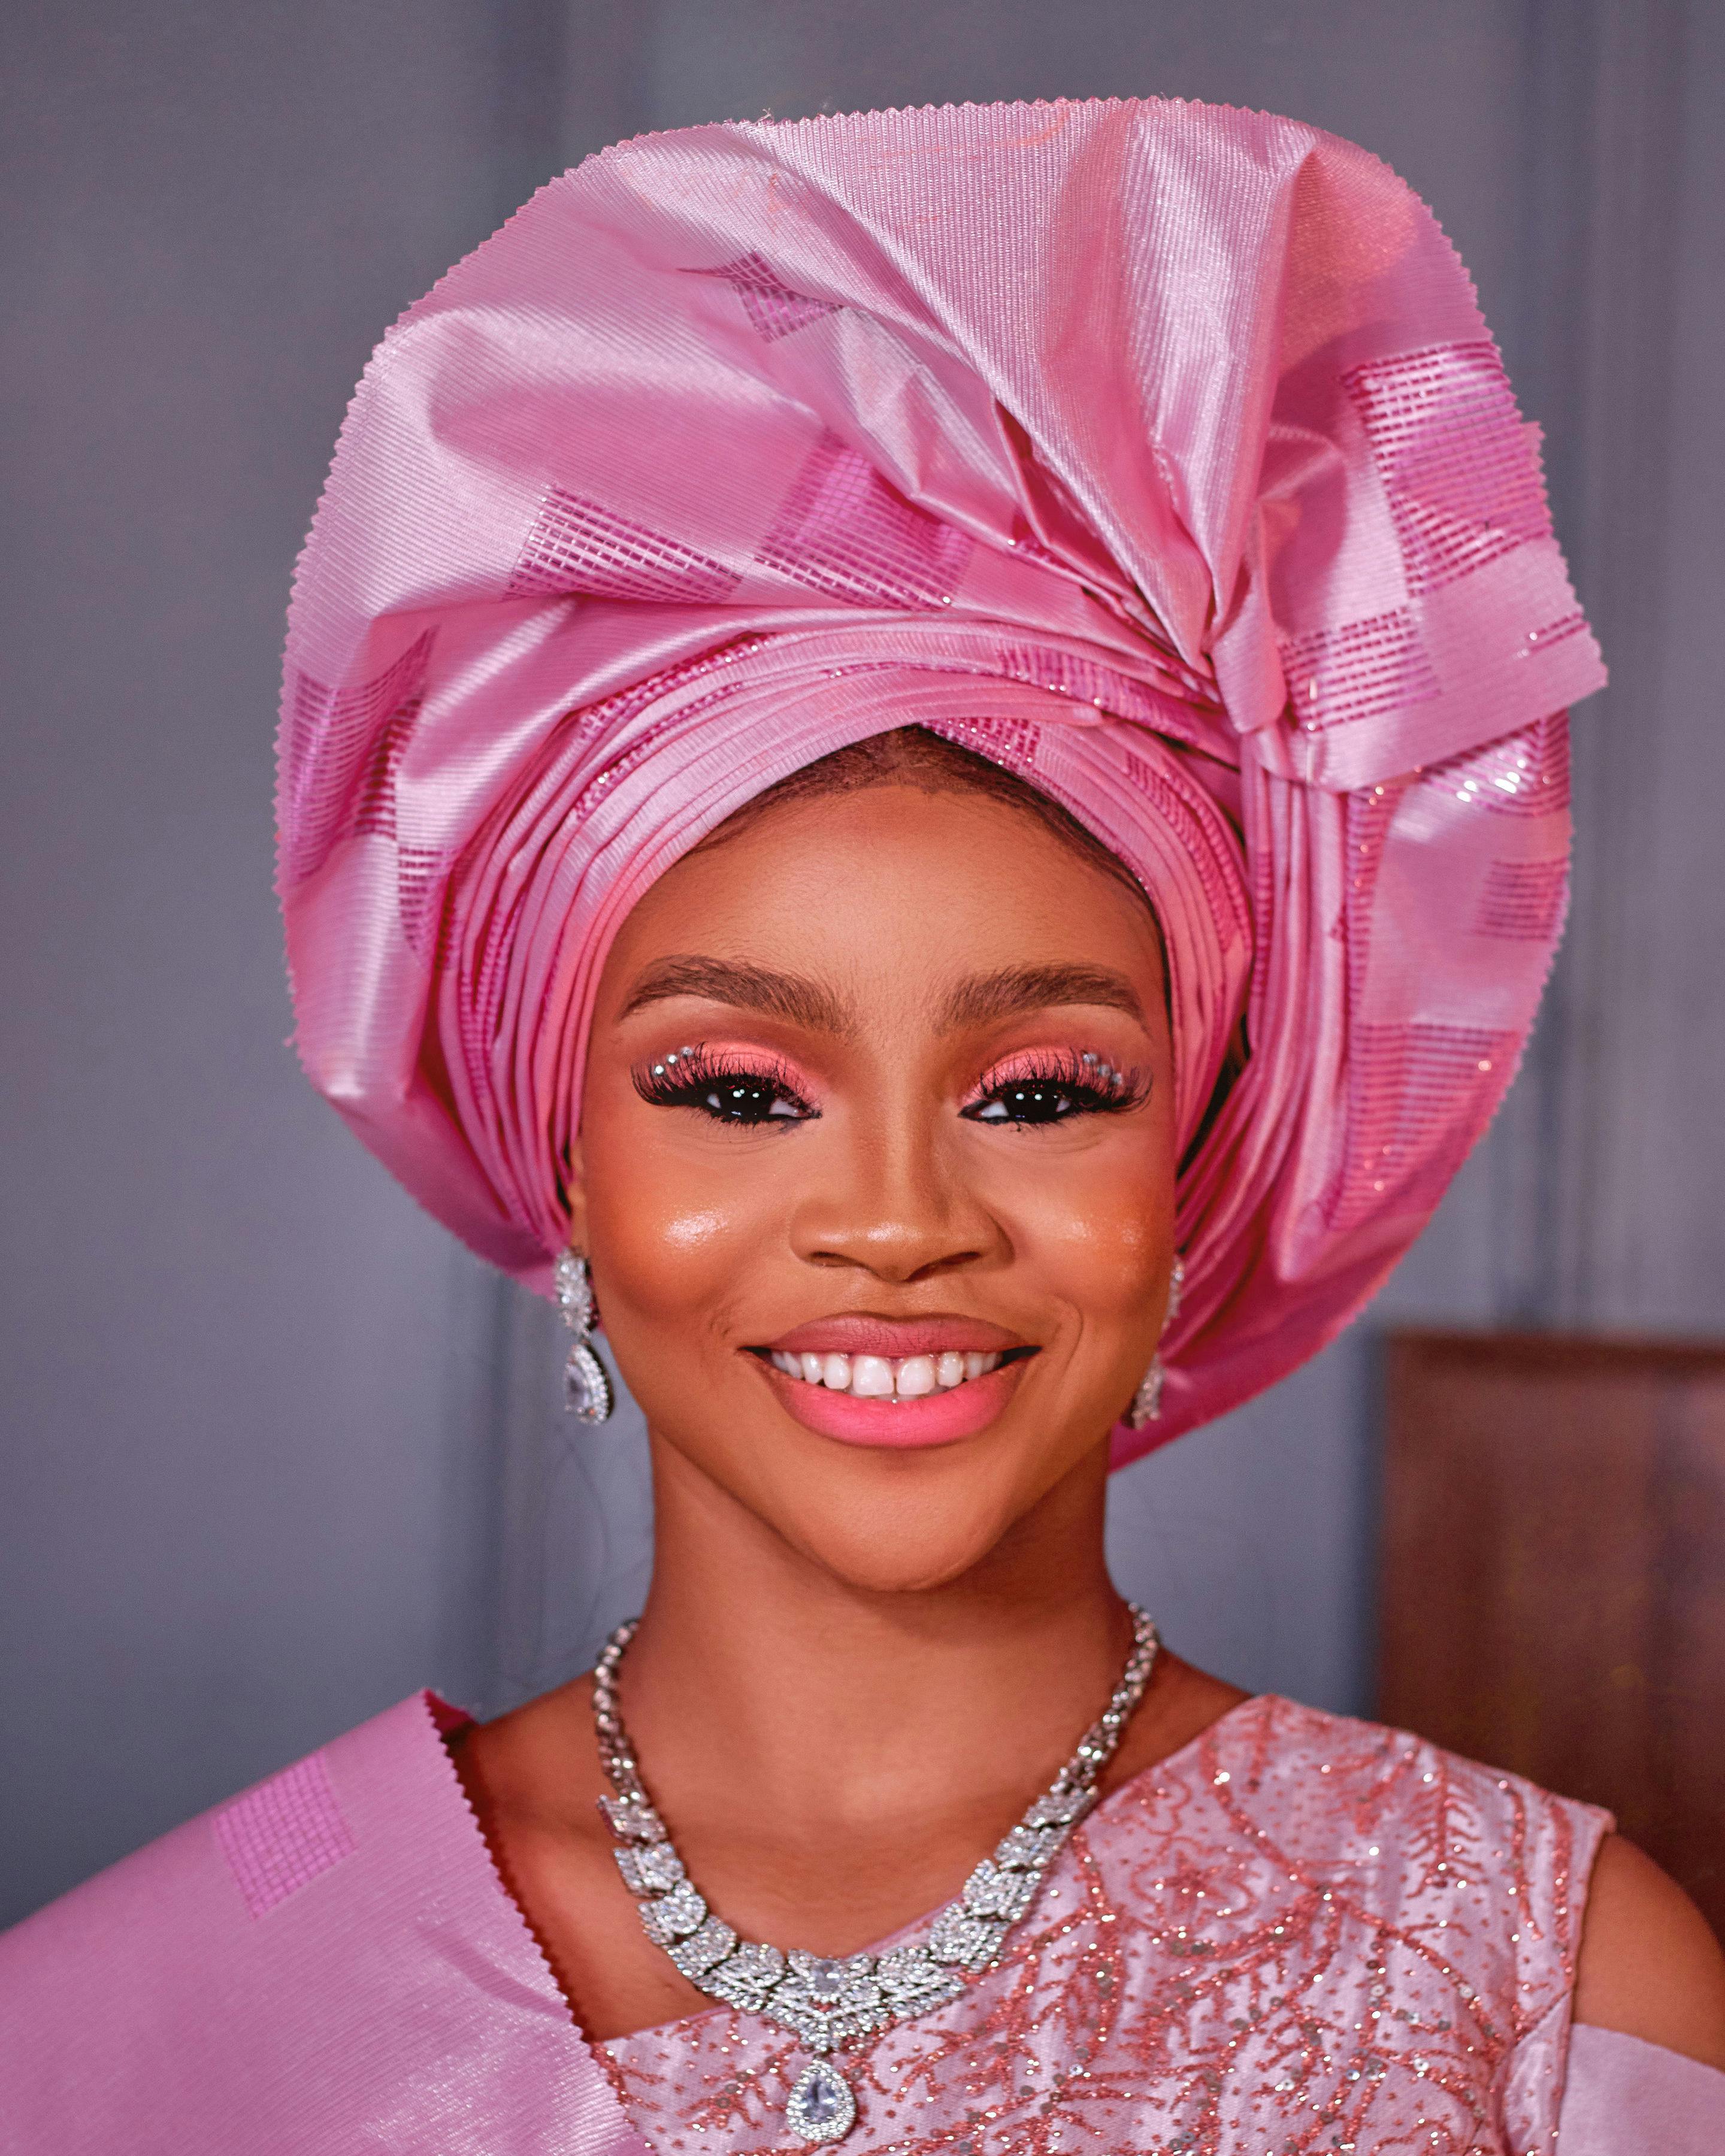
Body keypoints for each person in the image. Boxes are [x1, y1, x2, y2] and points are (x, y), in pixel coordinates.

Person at [3, 96, 1721, 2154]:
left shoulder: (1550, 1992)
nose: (898, 1220)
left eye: (1042, 1093)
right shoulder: (149, 2013)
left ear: (1198, 1161)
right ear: (563, 1159)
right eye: (735, 1090)